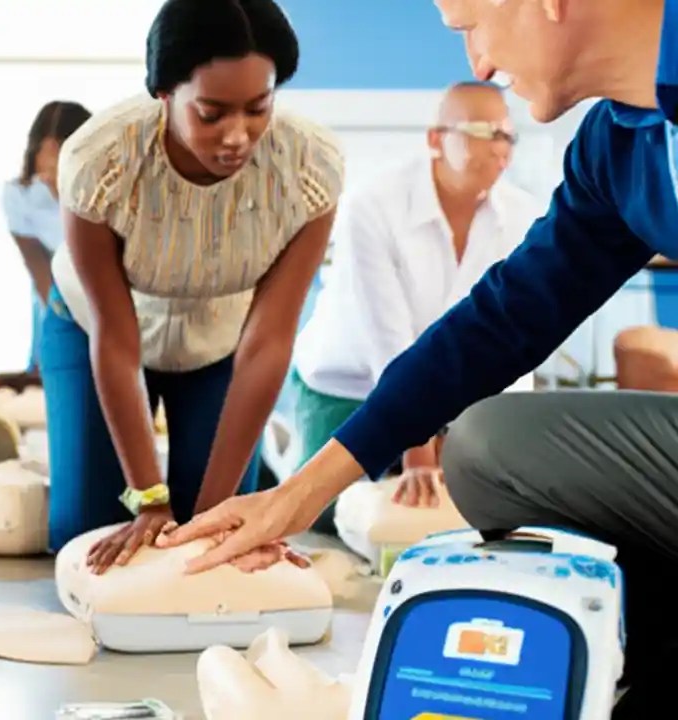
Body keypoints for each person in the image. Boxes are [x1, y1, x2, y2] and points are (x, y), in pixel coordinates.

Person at [159, 0, 675, 714]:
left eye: (470, 26)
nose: (480, 64)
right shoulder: (617, 149)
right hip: (344, 383)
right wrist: (293, 497)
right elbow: (496, 326)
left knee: (492, 438)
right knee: (490, 454)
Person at [45, 0, 344, 568]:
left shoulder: (310, 167)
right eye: (211, 114)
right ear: (164, 94)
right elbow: (115, 337)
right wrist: (149, 499)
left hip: (221, 336)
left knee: (212, 528)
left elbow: (269, 341)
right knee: (89, 534)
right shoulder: (98, 160)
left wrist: (212, 518)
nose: (237, 135)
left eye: (258, 108)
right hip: (98, 326)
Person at [290, 80, 541, 529]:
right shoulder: (373, 205)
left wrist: (483, 433)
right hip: (351, 387)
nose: (499, 147)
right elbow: (387, 338)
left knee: (469, 514)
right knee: (331, 518)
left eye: (507, 135)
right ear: (435, 139)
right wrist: (418, 448)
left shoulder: (524, 217)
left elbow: (517, 340)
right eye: (483, 131)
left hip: (454, 394)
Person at [0, 100, 92, 393]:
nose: (50, 175)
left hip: (100, 277)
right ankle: (41, 368)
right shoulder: (19, 195)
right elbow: (37, 267)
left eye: (58, 161)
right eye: (44, 162)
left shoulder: (102, 193)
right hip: (57, 284)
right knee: (46, 299)